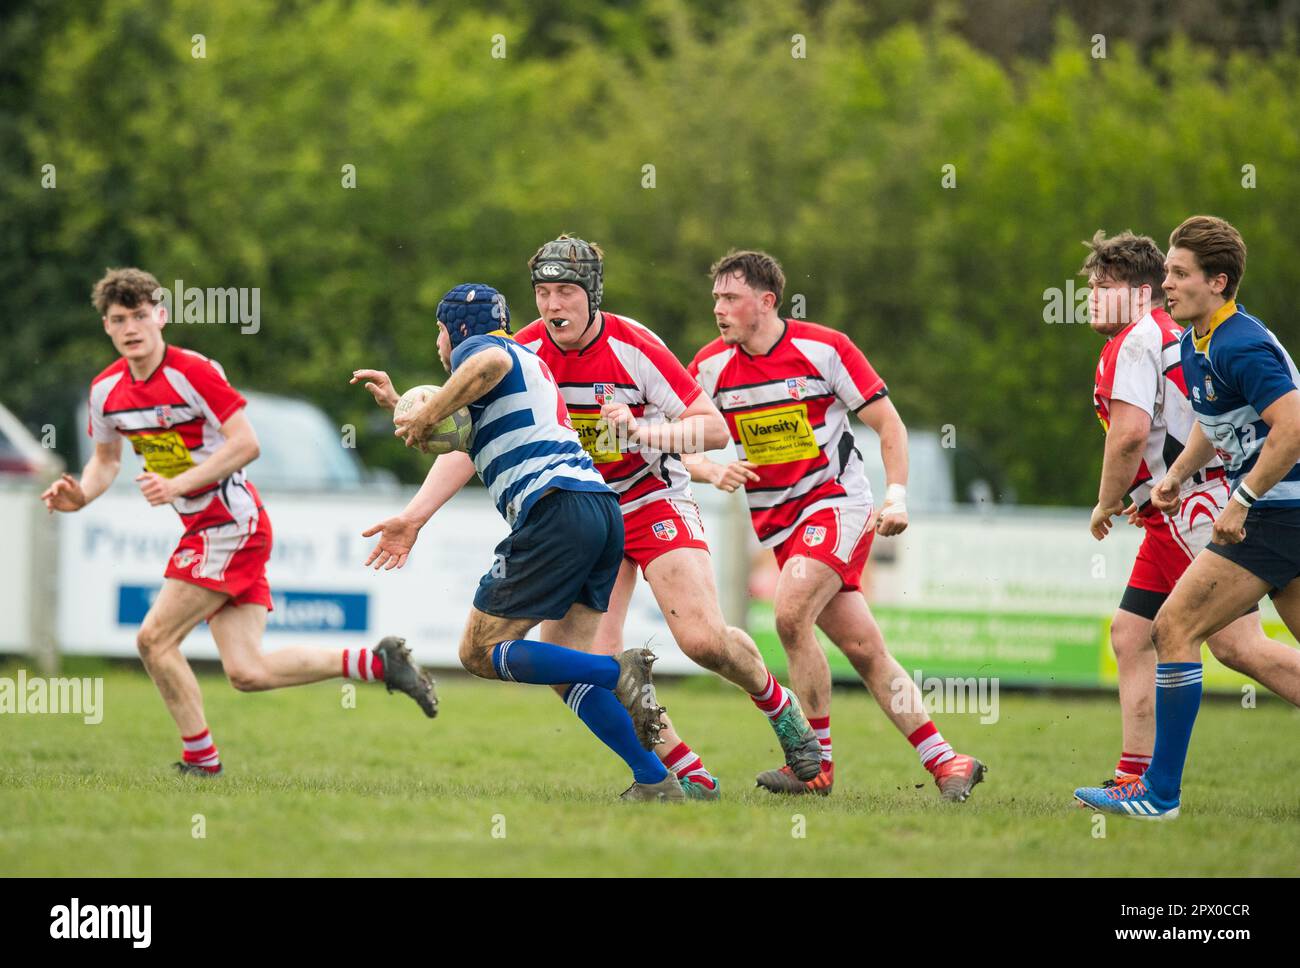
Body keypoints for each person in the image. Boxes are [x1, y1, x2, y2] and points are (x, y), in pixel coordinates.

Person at [41, 268, 437, 778]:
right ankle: (380, 663)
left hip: (229, 525)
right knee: (248, 672)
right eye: (119, 319)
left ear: (160, 316)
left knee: (152, 641)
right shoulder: (106, 392)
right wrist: (80, 494)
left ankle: (200, 763)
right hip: (210, 528)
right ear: (107, 327)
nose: (132, 327)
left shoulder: (193, 372)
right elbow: (106, 462)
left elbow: (247, 443)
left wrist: (180, 485)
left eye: (140, 315)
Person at [511, 234, 823, 799]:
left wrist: (643, 430)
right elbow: (476, 428)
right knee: (576, 666)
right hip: (585, 513)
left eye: (565, 292)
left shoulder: (635, 345)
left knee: (702, 641)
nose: (552, 305)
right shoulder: (525, 352)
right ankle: (687, 769)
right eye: (542, 292)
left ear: (591, 294)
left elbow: (711, 428)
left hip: (651, 496)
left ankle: (781, 710)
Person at [354, 283, 683, 801]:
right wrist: (404, 407)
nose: (440, 346)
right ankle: (653, 779)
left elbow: (483, 363)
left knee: (479, 652)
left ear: (456, 329)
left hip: (554, 510)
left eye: (439, 333)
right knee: (563, 667)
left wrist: (427, 410)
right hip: (598, 510)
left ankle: (616, 670)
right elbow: (455, 432)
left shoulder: (484, 350)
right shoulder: (524, 362)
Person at [685, 250, 985, 800]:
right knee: (864, 648)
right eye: (716, 299)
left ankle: (815, 765)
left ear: (766, 302)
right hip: (778, 527)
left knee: (790, 614)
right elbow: (684, 442)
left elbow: (888, 423)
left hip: (837, 504)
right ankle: (948, 760)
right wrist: (707, 466)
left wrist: (896, 497)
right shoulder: (708, 366)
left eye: (730, 298)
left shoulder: (825, 348)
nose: (719, 309)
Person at [1076, 216, 1300, 819]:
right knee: (1141, 632)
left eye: (1179, 274)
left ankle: (1158, 793)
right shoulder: (1192, 341)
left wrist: (1241, 499)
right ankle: (1138, 778)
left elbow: (1293, 428)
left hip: (1262, 511)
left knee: (1192, 634)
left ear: (1216, 282)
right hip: (1239, 506)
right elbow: (1213, 420)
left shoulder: (1228, 341)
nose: (1166, 286)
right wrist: (1170, 478)